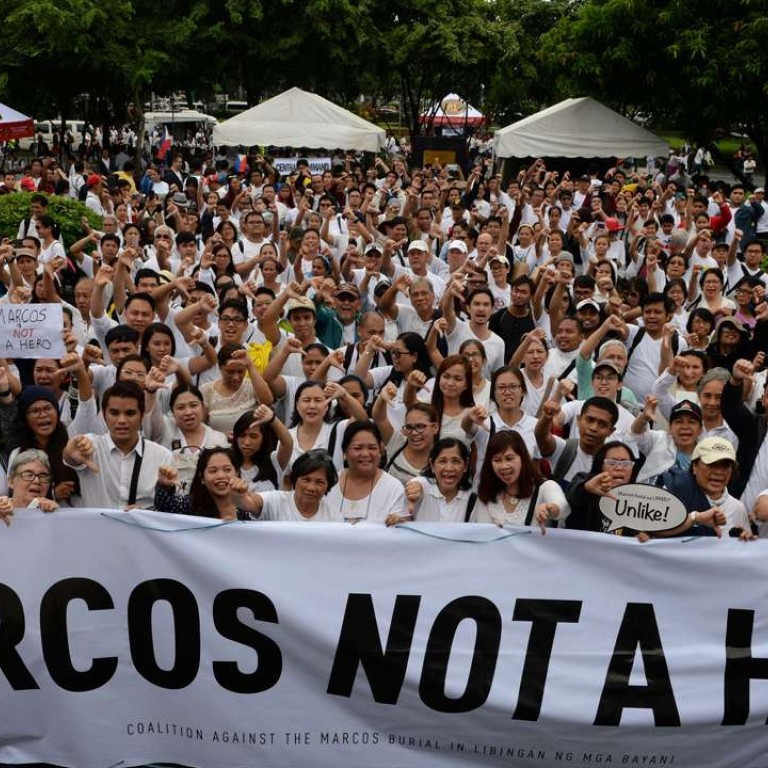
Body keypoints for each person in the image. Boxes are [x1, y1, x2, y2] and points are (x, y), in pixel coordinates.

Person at [63, 381, 172, 510]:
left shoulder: (162, 457)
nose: (121, 420)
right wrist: (69, 452)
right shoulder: (90, 447)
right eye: (114, 413)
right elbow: (71, 456)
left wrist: (146, 515)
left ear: (142, 415)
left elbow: (168, 510)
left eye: (130, 413)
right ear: (104, 414)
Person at [472, 431, 569, 529]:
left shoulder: (544, 487)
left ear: (522, 458)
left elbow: (564, 508)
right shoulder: (486, 493)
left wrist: (551, 509)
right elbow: (483, 532)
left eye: (509, 458)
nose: (504, 466)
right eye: (497, 460)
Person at [325, 421, 406, 522]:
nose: (365, 454)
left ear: (380, 451)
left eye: (372, 448)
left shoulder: (394, 488)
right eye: (358, 448)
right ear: (345, 452)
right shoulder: (329, 484)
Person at [231, 449, 341, 521]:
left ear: (328, 485)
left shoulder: (334, 517)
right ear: (295, 479)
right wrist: (238, 495)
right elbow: (249, 503)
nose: (311, 488)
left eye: (319, 482)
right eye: (306, 480)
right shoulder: (275, 501)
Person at [154, 447, 252, 520]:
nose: (221, 476)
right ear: (202, 478)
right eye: (213, 471)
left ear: (237, 473)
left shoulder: (248, 505)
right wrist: (164, 485)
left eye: (227, 470)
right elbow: (164, 505)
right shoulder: (191, 505)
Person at [565, 441, 642, 534]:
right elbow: (572, 494)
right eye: (612, 462)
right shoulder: (583, 480)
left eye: (625, 463)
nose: (619, 468)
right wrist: (586, 488)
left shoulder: (639, 498)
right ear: (600, 465)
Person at [395, 438, 475, 524]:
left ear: (466, 465)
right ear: (432, 465)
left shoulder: (472, 497)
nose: (449, 468)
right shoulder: (425, 486)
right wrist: (414, 490)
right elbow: (418, 484)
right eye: (442, 461)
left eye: (455, 461)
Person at [230, 405, 293, 493]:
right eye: (242, 436)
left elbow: (288, 443)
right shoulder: (228, 462)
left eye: (253, 436)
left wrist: (272, 419)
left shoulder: (274, 461)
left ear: (264, 438)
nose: (247, 442)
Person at [0, 450, 60, 525]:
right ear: (11, 482)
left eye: (43, 476)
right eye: (29, 475)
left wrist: (57, 515)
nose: (37, 481)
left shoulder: (54, 512)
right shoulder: (1, 505)